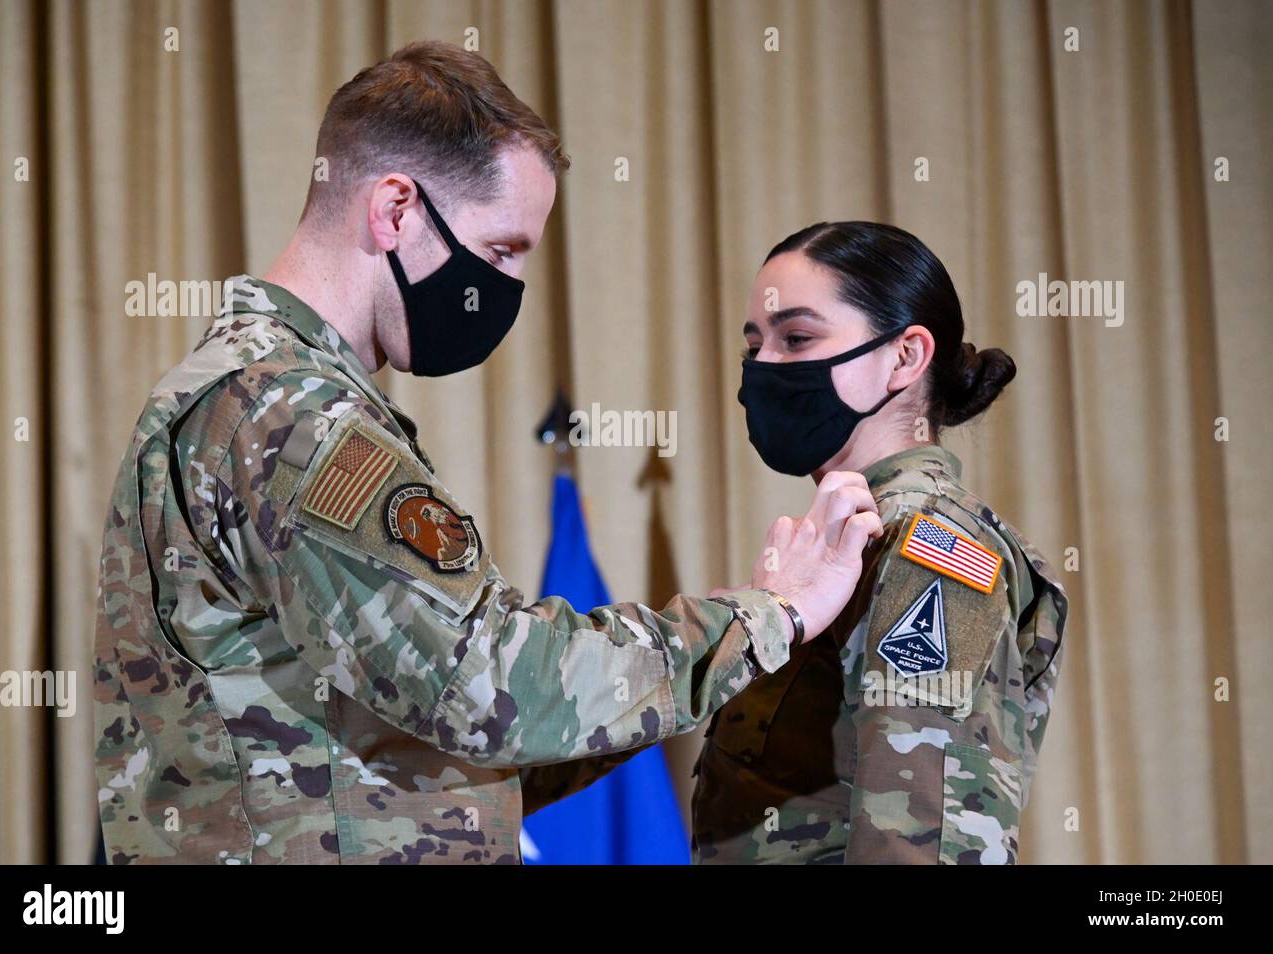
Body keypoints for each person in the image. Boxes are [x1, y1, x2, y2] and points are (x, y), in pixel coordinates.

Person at [92, 42, 883, 864]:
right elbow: (489, 687)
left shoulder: (255, 395)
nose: (505, 289)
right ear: (395, 209)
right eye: (501, 251)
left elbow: (439, 746)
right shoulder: (294, 414)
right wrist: (770, 615)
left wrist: (715, 659)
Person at [692, 222, 1068, 865]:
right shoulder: (839, 545)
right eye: (755, 345)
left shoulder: (928, 545)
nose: (763, 368)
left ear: (904, 357)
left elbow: (924, 836)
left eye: (798, 338)